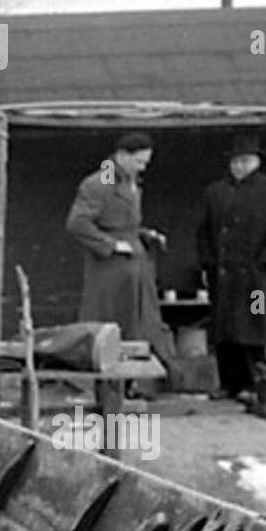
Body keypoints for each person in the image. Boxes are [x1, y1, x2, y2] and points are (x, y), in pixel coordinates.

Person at [66, 132, 175, 389]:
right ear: (122, 156)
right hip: (110, 270)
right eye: (139, 161)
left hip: (135, 265)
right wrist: (112, 245)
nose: (143, 167)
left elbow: (123, 222)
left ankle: (131, 384)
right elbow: (77, 223)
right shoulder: (99, 183)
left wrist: (145, 234)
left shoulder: (131, 182)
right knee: (111, 322)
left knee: (139, 322)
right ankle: (108, 386)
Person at [196, 132, 266, 420]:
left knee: (258, 327)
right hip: (225, 276)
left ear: (257, 161)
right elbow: (205, 232)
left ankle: (264, 390)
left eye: (245, 160)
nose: (239, 166)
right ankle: (231, 383)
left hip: (259, 280)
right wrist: (208, 264)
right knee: (225, 328)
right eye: (235, 161)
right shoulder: (216, 192)